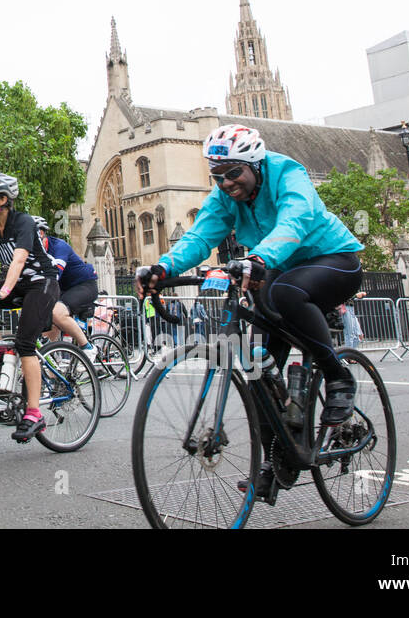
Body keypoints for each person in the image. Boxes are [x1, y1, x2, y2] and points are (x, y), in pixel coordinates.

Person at [136, 124, 364, 500]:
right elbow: (199, 236)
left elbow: (295, 221)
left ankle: (337, 376)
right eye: (217, 176)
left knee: (285, 292)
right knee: (260, 376)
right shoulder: (225, 196)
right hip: (276, 266)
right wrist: (163, 268)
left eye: (233, 174)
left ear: (255, 164)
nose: (226, 183)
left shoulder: (288, 173)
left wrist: (259, 258)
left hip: (332, 259)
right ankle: (279, 459)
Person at [0, 172, 61, 444]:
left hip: (41, 283)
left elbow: (18, 261)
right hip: (16, 284)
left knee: (26, 343)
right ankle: (0, 346)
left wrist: (3, 291)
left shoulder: (23, 222)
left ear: (2, 199)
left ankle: (35, 413)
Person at [32, 216, 99, 357]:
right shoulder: (35, 253)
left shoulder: (59, 246)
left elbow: (55, 275)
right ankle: (51, 365)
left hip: (84, 285)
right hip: (64, 289)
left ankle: (87, 347)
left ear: (41, 234)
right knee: (47, 330)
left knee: (57, 312)